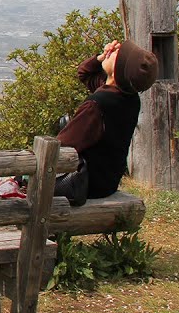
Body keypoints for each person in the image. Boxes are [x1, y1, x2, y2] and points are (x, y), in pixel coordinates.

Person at [53, 38, 158, 206]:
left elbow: (61, 146)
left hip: (83, 185)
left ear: (117, 71)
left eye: (117, 54)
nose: (113, 51)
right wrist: (100, 58)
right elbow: (84, 74)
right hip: (106, 184)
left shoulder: (97, 105)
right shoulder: (128, 98)